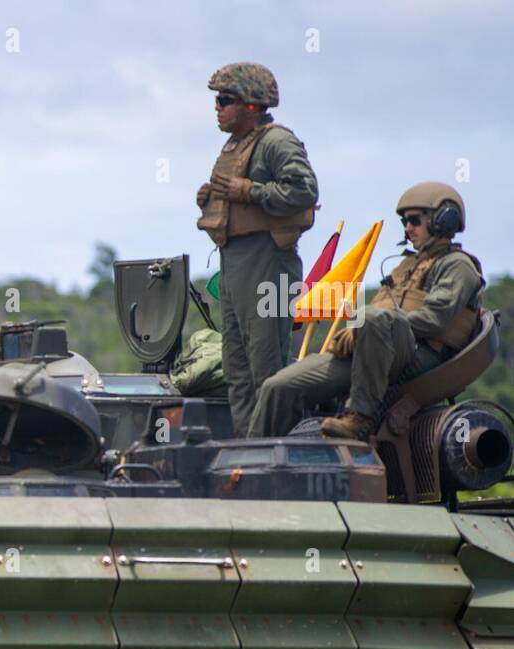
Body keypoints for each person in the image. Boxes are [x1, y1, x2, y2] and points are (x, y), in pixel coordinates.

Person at [250, 182, 484, 440]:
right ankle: (250, 464)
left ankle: (359, 417)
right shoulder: (406, 265)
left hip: (416, 353)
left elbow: (435, 319)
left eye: (415, 220)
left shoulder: (457, 266)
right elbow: (377, 313)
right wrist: (356, 331)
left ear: (443, 220)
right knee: (277, 387)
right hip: (373, 347)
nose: (408, 228)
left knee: (372, 317)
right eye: (405, 222)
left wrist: (367, 325)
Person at [196, 62, 319, 438]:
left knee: (267, 368)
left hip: (268, 263)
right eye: (217, 99)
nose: (217, 107)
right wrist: (210, 200)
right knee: (237, 370)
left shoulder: (276, 142)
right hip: (234, 264)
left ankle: (272, 449)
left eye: (225, 99)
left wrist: (248, 191)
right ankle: (248, 448)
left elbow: (304, 191)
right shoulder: (236, 145)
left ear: (251, 104)